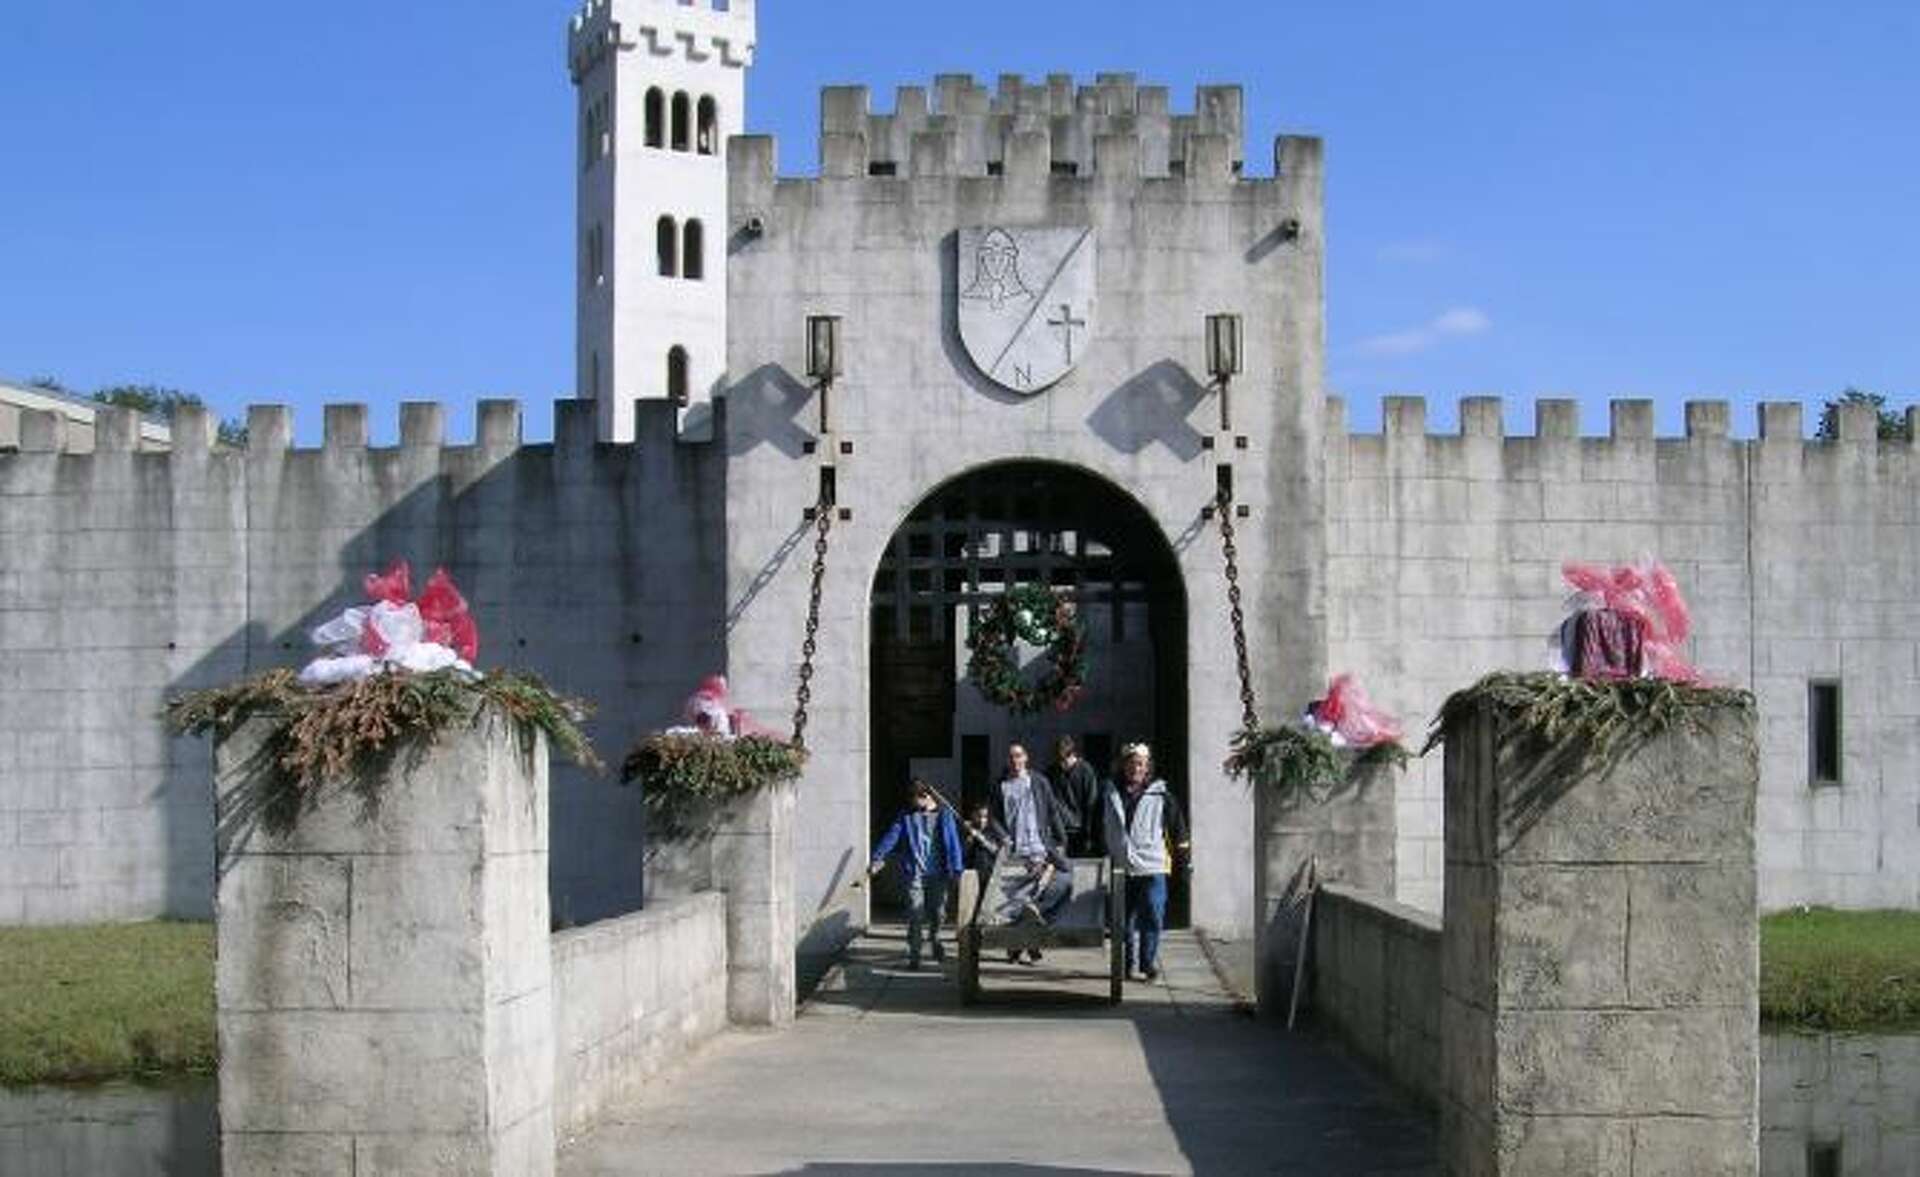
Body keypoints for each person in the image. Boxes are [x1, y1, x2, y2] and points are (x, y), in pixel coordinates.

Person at [1103, 742, 1190, 983]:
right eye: (1131, 764)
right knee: (1122, 921)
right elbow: (1100, 825)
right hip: (1122, 866)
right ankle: (1128, 963)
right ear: (1124, 766)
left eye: (1140, 764)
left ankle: (1148, 963)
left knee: (1152, 913)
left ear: (1147, 767)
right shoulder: (1110, 792)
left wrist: (1184, 863)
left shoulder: (1162, 795)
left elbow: (1178, 831)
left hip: (1152, 866)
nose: (1136, 768)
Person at [869, 779, 965, 970]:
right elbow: (891, 836)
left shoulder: (944, 816)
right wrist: (876, 858)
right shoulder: (905, 817)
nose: (913, 804)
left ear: (926, 796)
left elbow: (954, 844)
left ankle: (935, 938)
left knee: (938, 912)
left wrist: (957, 869)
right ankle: (915, 954)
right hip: (916, 874)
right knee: (915, 913)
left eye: (916, 800)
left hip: (939, 874)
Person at [990, 743, 1070, 964]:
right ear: (1007, 761)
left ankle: (1022, 945)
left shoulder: (1039, 781)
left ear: (1026, 758)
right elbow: (993, 817)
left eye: (1018, 756)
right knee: (1020, 899)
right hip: (1017, 852)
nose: (1015, 760)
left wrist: (1061, 840)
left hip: (1041, 849)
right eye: (1011, 756)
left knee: (1047, 894)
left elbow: (1052, 811)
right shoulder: (1001, 785)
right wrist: (1003, 837)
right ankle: (1023, 945)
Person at [1048, 735, 1102, 857]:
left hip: (1080, 831)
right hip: (1059, 829)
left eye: (1065, 760)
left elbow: (1091, 804)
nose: (1062, 765)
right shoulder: (1053, 772)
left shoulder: (1086, 771)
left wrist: (1089, 834)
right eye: (1059, 761)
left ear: (1073, 755)